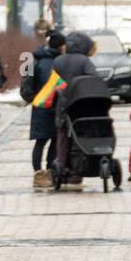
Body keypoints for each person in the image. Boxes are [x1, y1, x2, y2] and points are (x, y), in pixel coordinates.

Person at [52, 32, 99, 187]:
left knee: (63, 137)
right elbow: (94, 78)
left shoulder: (58, 60)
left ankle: (61, 168)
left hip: (62, 105)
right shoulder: (84, 61)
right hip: (80, 105)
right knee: (79, 138)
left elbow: (52, 83)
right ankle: (76, 172)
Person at [30, 30, 65, 187]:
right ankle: (49, 171)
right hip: (56, 107)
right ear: (61, 46)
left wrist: (33, 99)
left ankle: (38, 173)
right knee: (53, 139)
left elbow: (27, 83)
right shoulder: (61, 62)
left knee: (41, 140)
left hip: (40, 106)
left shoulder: (36, 59)